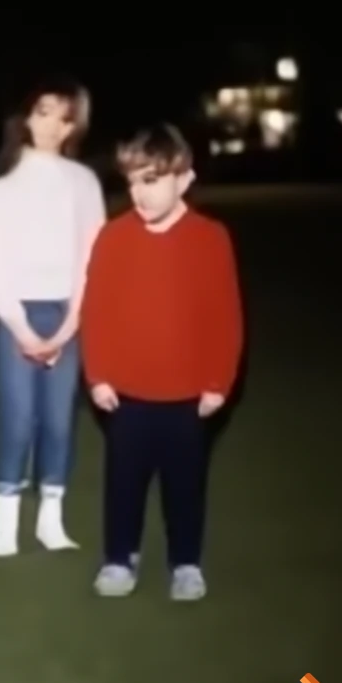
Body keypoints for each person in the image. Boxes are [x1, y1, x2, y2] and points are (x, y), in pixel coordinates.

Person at [80, 124, 244, 601]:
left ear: (184, 179)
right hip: (126, 393)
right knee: (123, 483)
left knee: (185, 485)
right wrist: (99, 374)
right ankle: (118, 557)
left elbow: (225, 316)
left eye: (151, 181)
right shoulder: (113, 238)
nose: (139, 193)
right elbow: (97, 311)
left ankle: (186, 562)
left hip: (189, 396)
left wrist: (219, 381)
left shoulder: (211, 239)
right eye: (132, 181)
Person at [0, 77, 106, 556]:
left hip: (68, 313)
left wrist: (71, 322)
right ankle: (4, 525)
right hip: (17, 315)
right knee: (17, 418)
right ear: (26, 117)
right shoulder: (3, 189)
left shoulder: (84, 182)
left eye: (65, 116)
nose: (53, 124)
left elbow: (92, 256)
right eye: (45, 111)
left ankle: (51, 519)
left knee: (58, 421)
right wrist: (22, 328)